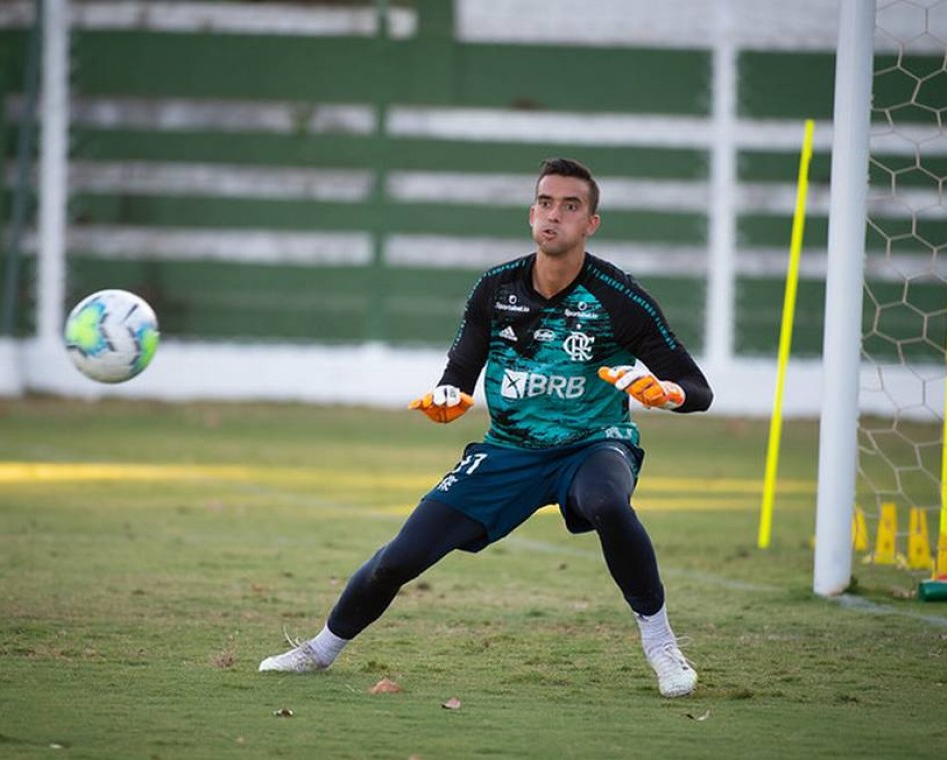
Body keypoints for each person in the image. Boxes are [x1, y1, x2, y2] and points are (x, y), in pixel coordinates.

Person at [258, 158, 713, 698]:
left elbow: (696, 388)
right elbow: (457, 378)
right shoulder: (495, 290)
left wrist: (667, 394)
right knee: (402, 556)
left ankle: (662, 647)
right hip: (508, 452)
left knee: (609, 504)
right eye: (545, 203)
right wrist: (446, 399)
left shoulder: (620, 299)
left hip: (593, 445)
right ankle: (320, 649)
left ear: (591, 223)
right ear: (531, 213)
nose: (555, 215)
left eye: (571, 206)